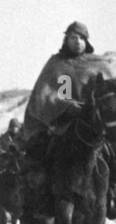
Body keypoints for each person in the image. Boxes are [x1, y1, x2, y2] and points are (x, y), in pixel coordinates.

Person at [20, 21, 115, 213]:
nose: (77, 42)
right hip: (63, 122)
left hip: (95, 123)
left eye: (81, 38)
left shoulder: (99, 64)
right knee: (39, 153)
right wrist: (65, 107)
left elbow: (111, 94)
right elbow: (44, 95)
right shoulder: (56, 64)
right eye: (73, 38)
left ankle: (112, 192)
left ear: (86, 41)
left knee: (113, 150)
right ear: (66, 40)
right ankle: (41, 198)